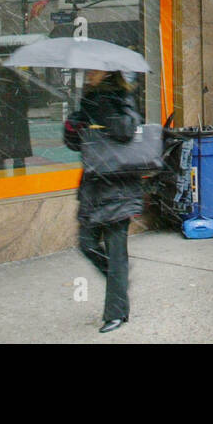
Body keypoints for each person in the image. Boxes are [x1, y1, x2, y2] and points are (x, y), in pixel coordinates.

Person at [63, 69, 142, 333]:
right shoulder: (88, 100)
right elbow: (75, 144)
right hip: (94, 186)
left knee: (116, 251)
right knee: (86, 244)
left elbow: (127, 129)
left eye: (92, 72)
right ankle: (118, 279)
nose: (88, 75)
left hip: (119, 187)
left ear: (107, 73)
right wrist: (73, 125)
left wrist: (102, 109)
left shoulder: (123, 97)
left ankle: (116, 313)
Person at [0, 66, 33, 168]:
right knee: (18, 156)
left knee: (0, 155)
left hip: (6, 124)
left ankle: (2, 178)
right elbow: (27, 104)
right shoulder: (21, 88)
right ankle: (19, 180)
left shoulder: (2, 89)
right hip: (19, 125)